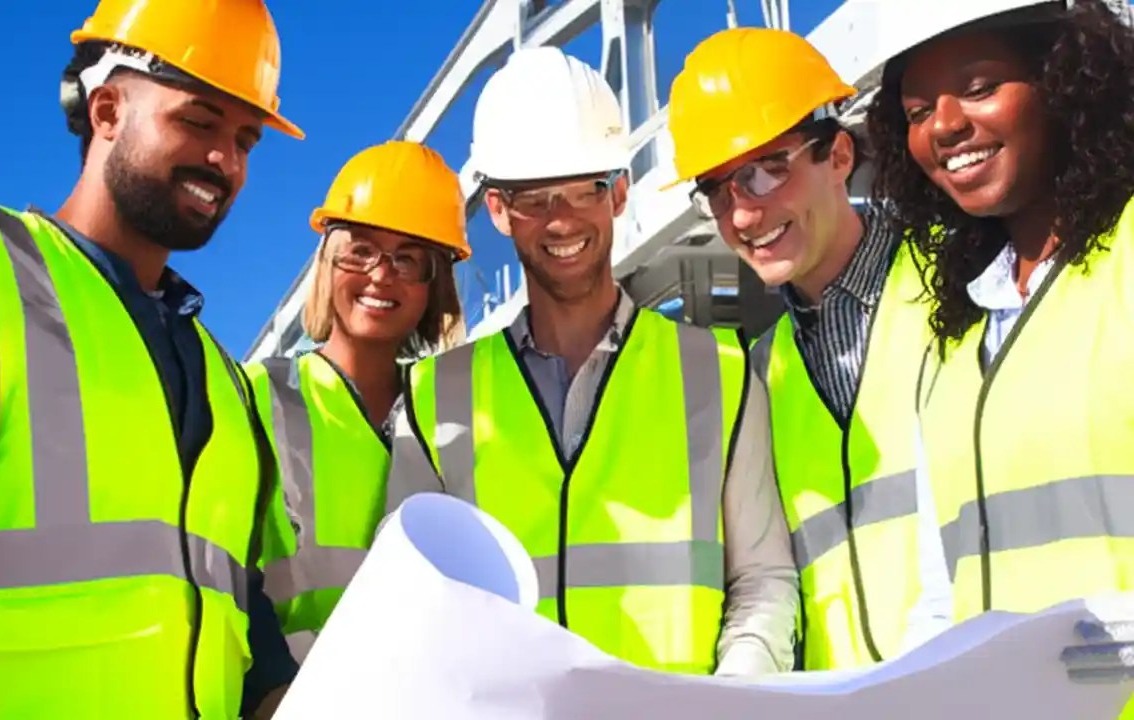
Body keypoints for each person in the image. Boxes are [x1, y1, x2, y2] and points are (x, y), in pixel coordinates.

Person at [0, 0, 304, 717]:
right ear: (106, 112)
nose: (225, 160)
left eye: (247, 138)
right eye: (197, 120)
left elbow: (231, 598)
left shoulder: (223, 381)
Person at [386, 45, 798, 676]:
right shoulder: (434, 395)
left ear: (621, 193)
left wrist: (730, 699)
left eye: (585, 190)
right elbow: (416, 609)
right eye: (533, 198)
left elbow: (763, 579)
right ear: (496, 210)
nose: (562, 220)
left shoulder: (722, 371)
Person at [864, 0, 1134, 702]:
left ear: (1064, 79)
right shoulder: (955, 335)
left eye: (980, 87)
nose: (946, 126)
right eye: (919, 112)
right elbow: (939, 586)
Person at [662, 27, 939, 671]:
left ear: (839, 156)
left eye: (767, 170)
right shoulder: (756, 373)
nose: (744, 216)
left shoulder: (961, 292)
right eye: (719, 189)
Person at [246, 139, 469, 664]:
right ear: (328, 260)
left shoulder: (457, 409)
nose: (380, 274)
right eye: (361, 250)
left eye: (409, 259)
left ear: (434, 285)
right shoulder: (257, 398)